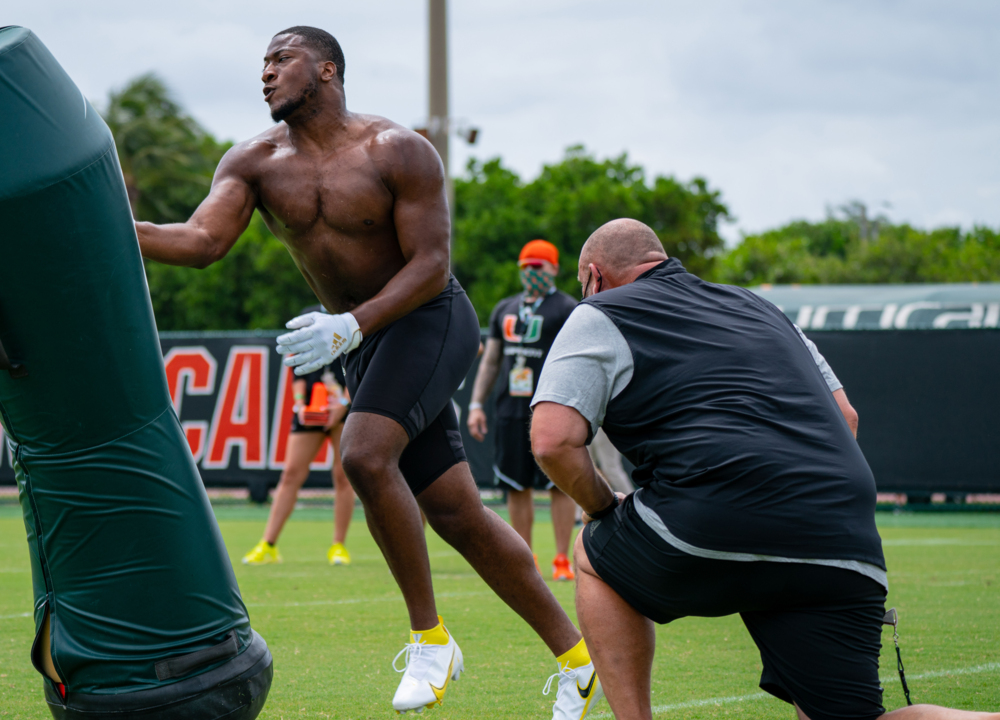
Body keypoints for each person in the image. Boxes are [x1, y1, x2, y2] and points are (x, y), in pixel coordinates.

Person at [134, 26, 602, 717]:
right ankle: (576, 658)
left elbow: (431, 265)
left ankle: (431, 639)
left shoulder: (397, 149)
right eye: (261, 62)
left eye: (280, 58)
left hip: (428, 319)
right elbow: (201, 242)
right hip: (360, 344)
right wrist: (113, 220)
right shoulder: (253, 163)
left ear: (326, 69)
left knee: (363, 452)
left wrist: (351, 323)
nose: (265, 73)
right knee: (458, 514)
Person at [529, 218, 1000, 720]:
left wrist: (603, 508)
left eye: (585, 286)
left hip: (712, 515)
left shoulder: (599, 310)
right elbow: (846, 418)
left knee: (591, 551)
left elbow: (553, 442)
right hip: (841, 535)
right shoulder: (763, 307)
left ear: (594, 277)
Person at [467, 239, 581, 581]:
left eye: (539, 266)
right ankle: (524, 558)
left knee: (558, 485)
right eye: (526, 267)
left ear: (554, 269)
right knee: (516, 485)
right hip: (510, 408)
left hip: (553, 405)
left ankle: (562, 558)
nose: (532, 273)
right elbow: (490, 361)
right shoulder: (505, 307)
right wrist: (475, 404)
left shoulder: (567, 307)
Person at [243, 305, 355, 566]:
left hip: (343, 406)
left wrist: (343, 405)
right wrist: (300, 405)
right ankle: (267, 544)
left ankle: (338, 546)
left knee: (343, 475)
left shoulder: (353, 314)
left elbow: (363, 369)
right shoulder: (308, 317)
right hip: (312, 408)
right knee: (291, 473)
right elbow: (297, 372)